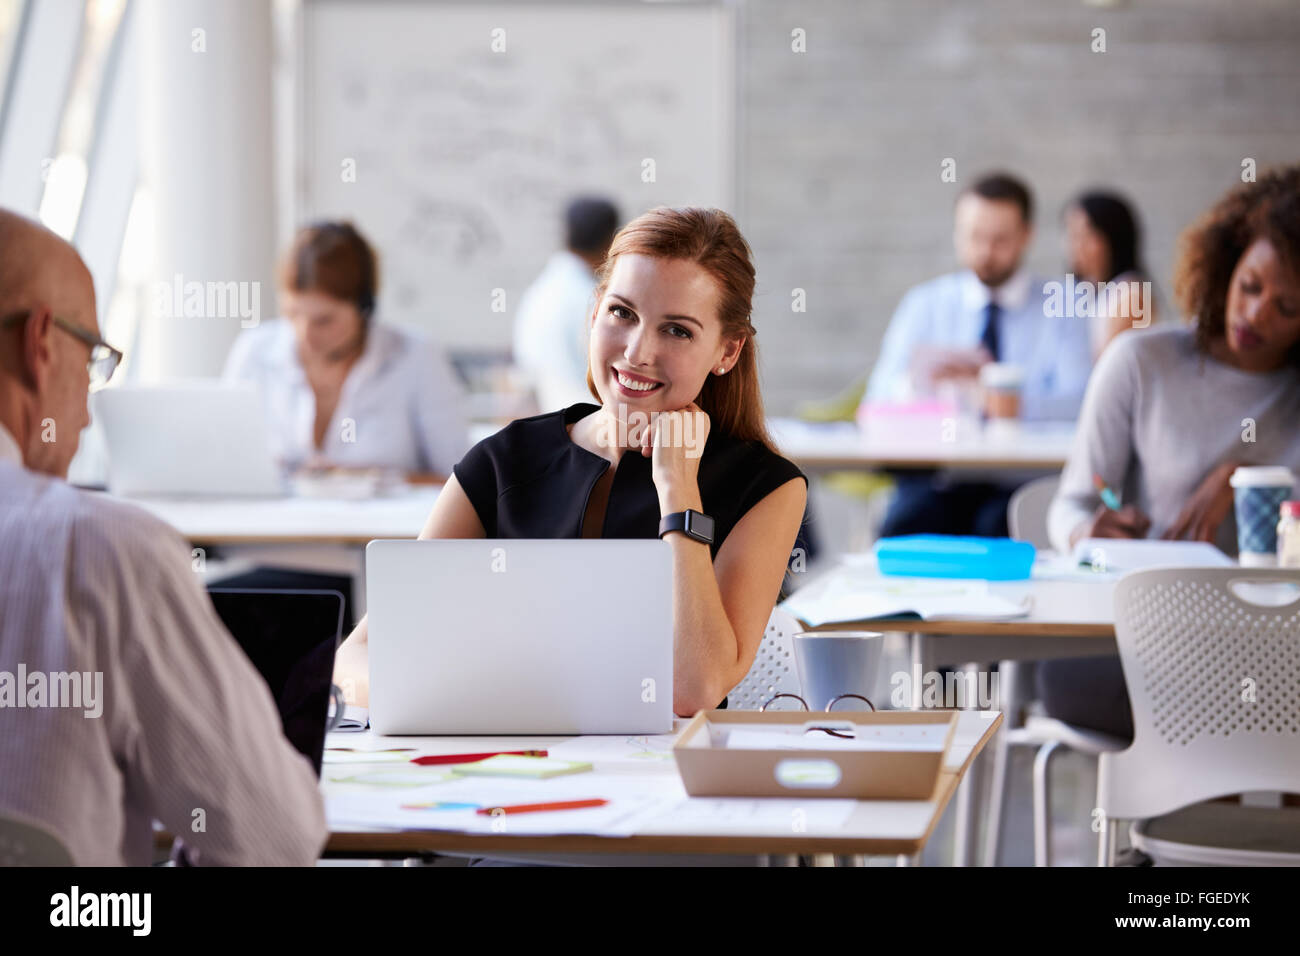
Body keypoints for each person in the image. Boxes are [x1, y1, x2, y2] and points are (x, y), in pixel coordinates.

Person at [335, 207, 809, 717]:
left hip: (671, 784)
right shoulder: (505, 461)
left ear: (728, 351)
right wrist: (490, 699)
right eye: (622, 313)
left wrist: (678, 490)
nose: (637, 351)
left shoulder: (767, 487)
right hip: (505, 774)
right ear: (593, 314)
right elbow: (355, 658)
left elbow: (691, 690)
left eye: (677, 330)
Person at [0, 209, 326, 865]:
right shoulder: (100, 554)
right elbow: (274, 838)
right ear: (41, 344)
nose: (88, 415)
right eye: (90, 357)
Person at [1041, 165, 1300, 739]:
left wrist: (1245, 475)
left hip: (1277, 647)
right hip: (1148, 638)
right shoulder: (1142, 362)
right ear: (1227, 266)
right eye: (1251, 286)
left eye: (1287, 307)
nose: (1257, 314)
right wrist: (1087, 536)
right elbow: (1070, 507)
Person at [866, 172, 1094, 537]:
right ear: (958, 233)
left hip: (1020, 486)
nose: (986, 251)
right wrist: (920, 390)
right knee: (903, 529)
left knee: (1000, 527)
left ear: (1026, 236)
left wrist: (998, 402)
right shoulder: (925, 304)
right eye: (974, 237)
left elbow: (1081, 405)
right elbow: (878, 399)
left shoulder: (1064, 306)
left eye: (1000, 239)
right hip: (936, 481)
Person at [224, 220, 468, 480]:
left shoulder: (418, 358)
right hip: (268, 520)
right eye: (292, 314)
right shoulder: (254, 350)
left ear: (364, 308)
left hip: (386, 520)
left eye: (324, 320)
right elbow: (224, 458)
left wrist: (367, 478)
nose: (304, 335)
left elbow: (460, 482)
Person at [513, 196, 621, 412]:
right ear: (612, 240)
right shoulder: (594, 301)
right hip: (593, 424)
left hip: (555, 423)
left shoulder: (539, 293)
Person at [1063, 190, 1159, 358]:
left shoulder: (1130, 296)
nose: (1076, 246)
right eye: (1072, 235)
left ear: (1113, 239)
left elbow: (1110, 371)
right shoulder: (1095, 292)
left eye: (1086, 236)